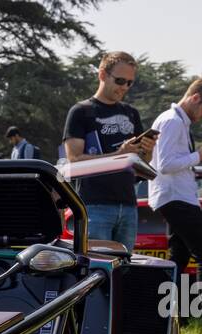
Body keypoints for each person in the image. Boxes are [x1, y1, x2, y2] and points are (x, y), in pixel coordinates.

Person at [149, 76, 202, 333]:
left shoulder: (175, 121)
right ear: (195, 98)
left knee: (178, 259)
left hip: (175, 196)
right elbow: (164, 164)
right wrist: (198, 156)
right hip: (175, 197)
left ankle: (176, 318)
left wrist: (196, 159)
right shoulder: (172, 122)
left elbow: (170, 161)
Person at [63, 51, 154, 250]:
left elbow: (142, 166)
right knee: (97, 270)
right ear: (102, 74)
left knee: (123, 271)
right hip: (95, 205)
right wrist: (117, 156)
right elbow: (74, 161)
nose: (124, 87)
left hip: (129, 204)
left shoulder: (131, 113)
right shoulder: (81, 111)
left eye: (130, 83)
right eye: (120, 80)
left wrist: (148, 150)